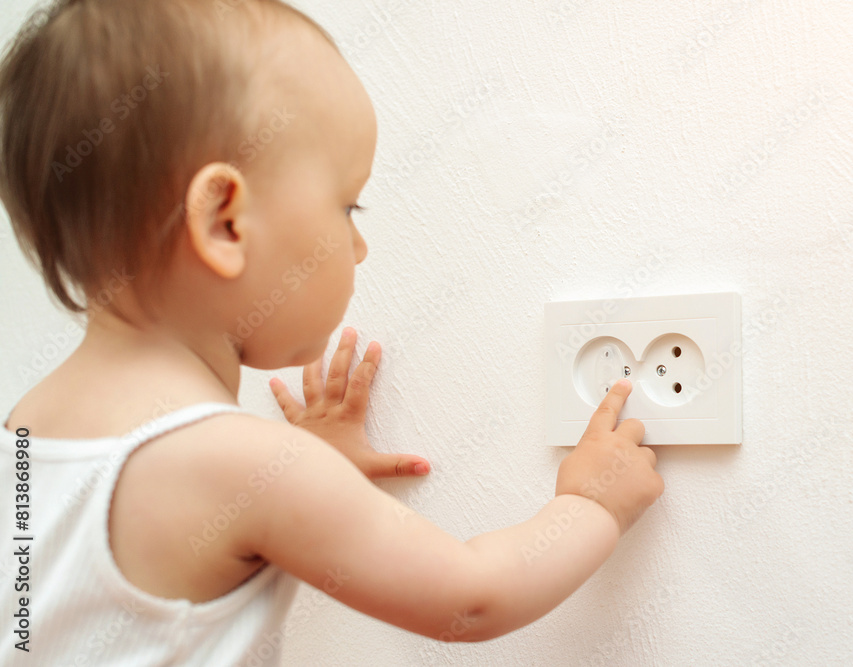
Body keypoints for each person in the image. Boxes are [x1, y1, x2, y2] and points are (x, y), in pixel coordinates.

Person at [0, 0, 664, 663]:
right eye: (348, 206)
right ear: (224, 223)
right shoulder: (245, 465)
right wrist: (592, 504)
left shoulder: (26, 429)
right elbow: (472, 597)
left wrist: (307, 468)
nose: (360, 247)